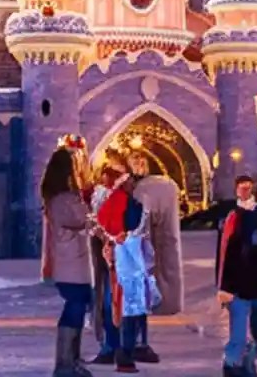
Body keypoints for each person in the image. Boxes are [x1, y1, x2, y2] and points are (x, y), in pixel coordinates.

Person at [96, 163, 159, 373]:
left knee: (122, 306)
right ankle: (125, 355)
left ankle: (121, 351)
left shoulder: (119, 201)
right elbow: (122, 228)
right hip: (127, 259)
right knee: (127, 308)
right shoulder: (123, 202)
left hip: (124, 258)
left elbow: (105, 225)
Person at [41, 148, 96, 377]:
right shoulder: (64, 199)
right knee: (74, 307)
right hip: (71, 265)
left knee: (77, 307)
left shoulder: (60, 198)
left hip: (73, 263)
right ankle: (65, 362)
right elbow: (81, 218)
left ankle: (71, 359)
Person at [216, 169, 257, 377]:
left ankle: (248, 363)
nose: (245, 191)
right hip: (238, 287)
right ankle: (233, 365)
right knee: (239, 333)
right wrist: (223, 287)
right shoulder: (233, 217)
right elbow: (224, 254)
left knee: (256, 330)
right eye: (241, 188)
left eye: (249, 188)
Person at [123, 151, 161, 364]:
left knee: (140, 303)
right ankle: (131, 347)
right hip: (131, 254)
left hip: (140, 253)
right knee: (133, 303)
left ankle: (137, 344)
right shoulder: (129, 196)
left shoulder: (145, 191)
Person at [89, 157, 127, 365]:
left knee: (112, 303)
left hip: (115, 258)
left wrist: (105, 235)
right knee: (108, 304)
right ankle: (112, 345)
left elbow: (113, 226)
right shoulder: (104, 196)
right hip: (105, 258)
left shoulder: (119, 198)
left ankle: (114, 347)